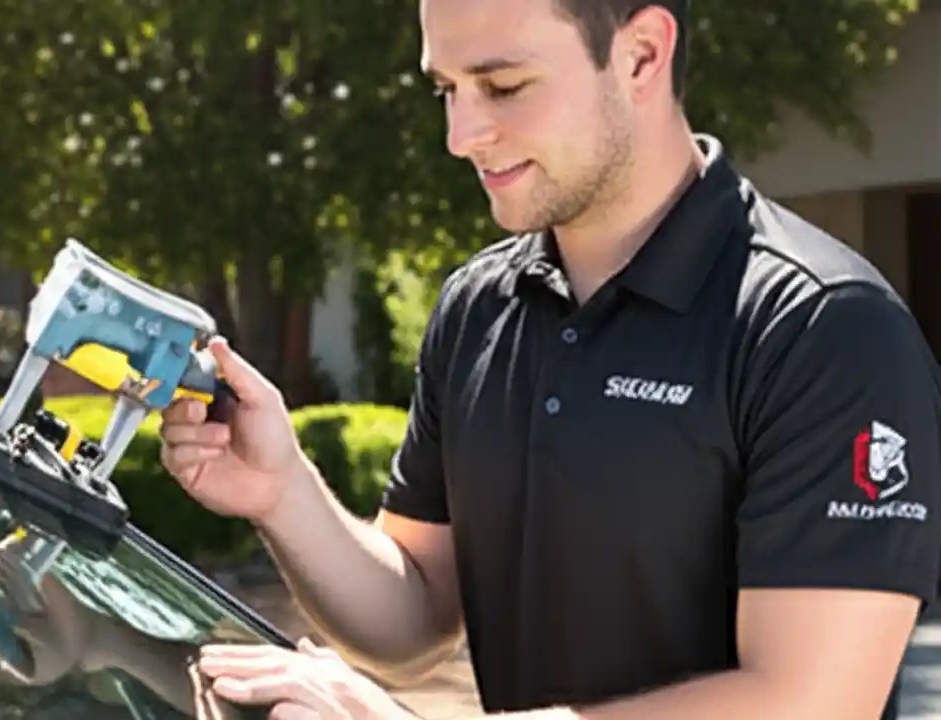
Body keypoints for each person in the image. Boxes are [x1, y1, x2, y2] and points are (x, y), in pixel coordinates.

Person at [160, 0, 941, 717]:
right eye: (447, 90)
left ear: (640, 55)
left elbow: (809, 702)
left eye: (502, 87)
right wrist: (283, 492)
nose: (461, 136)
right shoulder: (476, 310)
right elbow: (416, 619)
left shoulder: (823, 327)